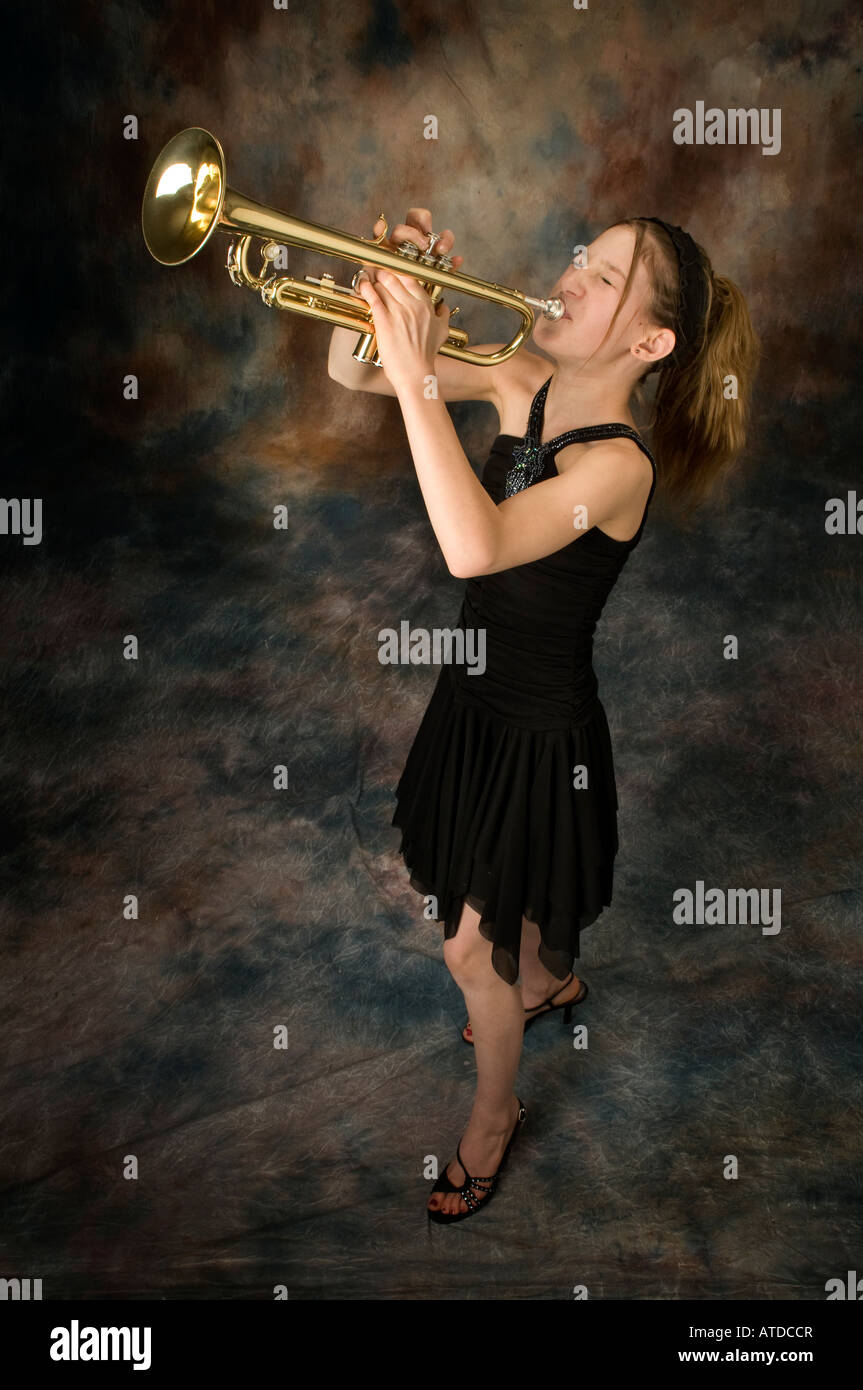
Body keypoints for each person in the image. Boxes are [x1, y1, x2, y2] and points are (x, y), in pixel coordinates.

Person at [327, 213, 760, 1225]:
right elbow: (356, 377)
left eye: (603, 277)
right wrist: (377, 297)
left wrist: (420, 367)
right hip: (472, 697)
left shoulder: (619, 468)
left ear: (648, 343)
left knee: (469, 954)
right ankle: (551, 982)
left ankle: (493, 1116)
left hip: (540, 733)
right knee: (506, 911)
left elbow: (473, 547)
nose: (569, 276)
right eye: (579, 255)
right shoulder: (519, 375)